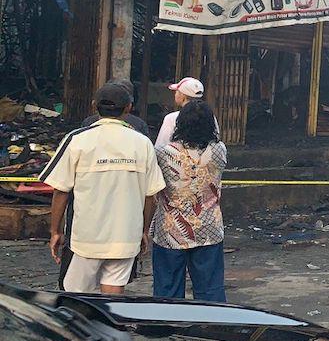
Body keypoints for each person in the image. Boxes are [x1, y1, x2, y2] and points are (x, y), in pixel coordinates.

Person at [42, 82, 165, 295]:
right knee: (112, 297)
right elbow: (150, 195)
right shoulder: (142, 143)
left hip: (85, 238)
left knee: (77, 299)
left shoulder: (77, 140)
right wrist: (144, 231)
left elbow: (60, 191)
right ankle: (107, 328)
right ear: (128, 108)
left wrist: (55, 231)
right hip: (126, 237)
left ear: (93, 106)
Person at [151, 100, 229, 302]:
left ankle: (167, 325)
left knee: (167, 286)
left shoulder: (162, 153)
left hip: (171, 229)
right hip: (209, 228)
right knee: (210, 288)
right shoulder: (219, 150)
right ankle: (210, 325)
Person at [156, 77, 215, 148]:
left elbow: (161, 145)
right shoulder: (209, 116)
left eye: (177, 91)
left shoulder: (171, 118)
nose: (175, 94)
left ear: (183, 95)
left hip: (176, 158)